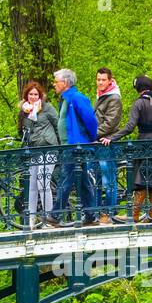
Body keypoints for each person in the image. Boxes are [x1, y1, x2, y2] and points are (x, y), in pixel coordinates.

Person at [103, 75, 152, 223]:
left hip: (144, 144)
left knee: (141, 179)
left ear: (138, 88)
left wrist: (112, 138)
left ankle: (134, 215)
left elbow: (130, 127)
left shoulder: (139, 103)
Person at [51, 68, 102, 225]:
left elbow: (91, 120)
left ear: (65, 83)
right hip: (70, 146)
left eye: (56, 82)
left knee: (66, 178)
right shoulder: (66, 99)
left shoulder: (77, 98)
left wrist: (91, 139)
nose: (54, 85)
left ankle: (55, 215)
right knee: (83, 180)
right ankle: (91, 215)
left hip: (76, 147)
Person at [18, 80, 60, 228]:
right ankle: (31, 218)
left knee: (43, 182)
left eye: (36, 94)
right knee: (32, 185)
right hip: (33, 150)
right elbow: (22, 131)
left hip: (49, 148)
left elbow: (58, 124)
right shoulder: (24, 112)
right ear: (26, 96)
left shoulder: (47, 108)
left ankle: (48, 218)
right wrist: (28, 114)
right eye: (31, 94)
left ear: (40, 95)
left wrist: (61, 146)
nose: (33, 97)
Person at [94, 68, 125, 222]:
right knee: (97, 180)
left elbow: (110, 123)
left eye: (103, 80)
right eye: (98, 79)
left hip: (106, 144)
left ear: (110, 80)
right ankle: (98, 213)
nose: (100, 82)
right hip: (98, 144)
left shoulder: (113, 98)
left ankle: (109, 213)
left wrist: (92, 135)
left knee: (108, 181)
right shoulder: (101, 96)